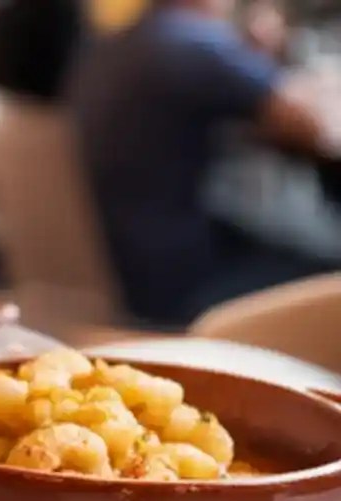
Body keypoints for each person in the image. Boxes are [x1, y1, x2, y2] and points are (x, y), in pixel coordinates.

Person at [69, 0, 336, 326]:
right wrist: (267, 54)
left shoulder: (114, 44)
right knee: (328, 268)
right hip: (185, 291)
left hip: (130, 273)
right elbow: (312, 126)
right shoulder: (193, 42)